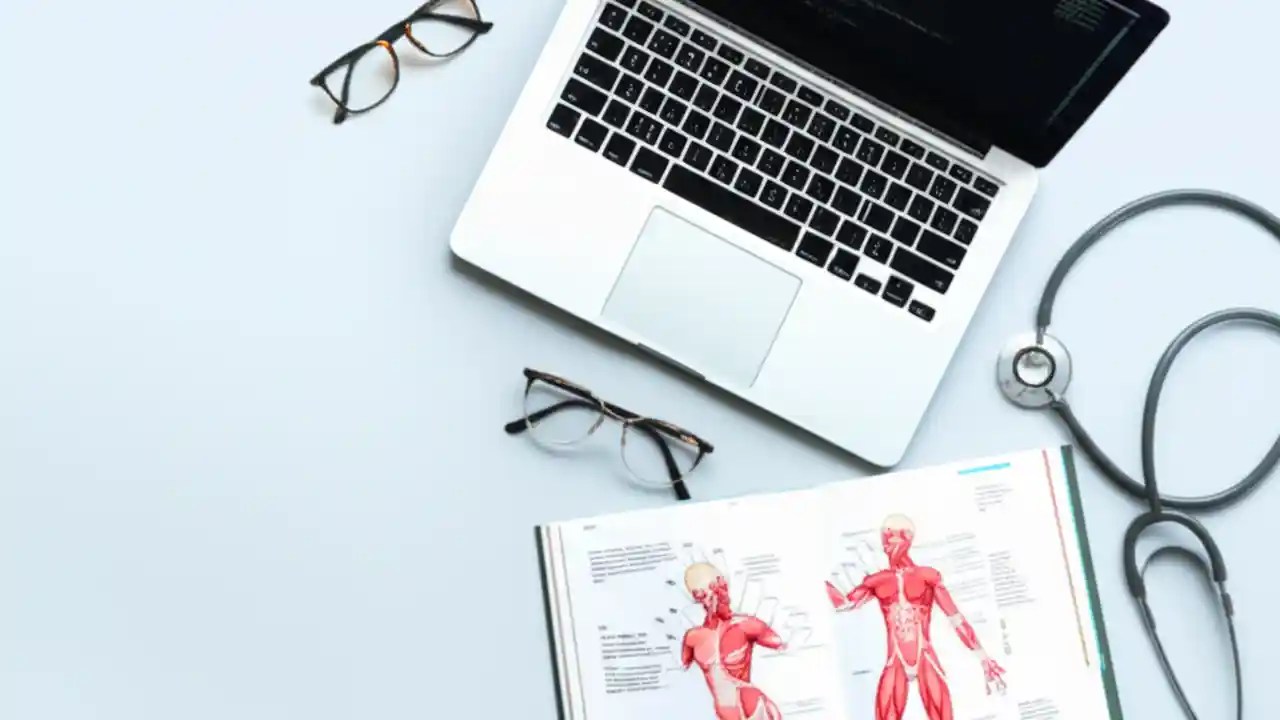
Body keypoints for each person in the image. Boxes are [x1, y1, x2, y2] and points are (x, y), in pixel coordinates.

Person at [826, 514, 1007, 720]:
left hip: (925, 657)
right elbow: (844, 604)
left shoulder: (927, 577)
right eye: (886, 536)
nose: (889, 542)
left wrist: (983, 658)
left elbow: (956, 619)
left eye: (895, 535)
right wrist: (819, 584)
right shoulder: (878, 581)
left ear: (908, 539)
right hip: (895, 660)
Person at [681, 562, 786, 720]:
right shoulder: (692, 637)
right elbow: (682, 665)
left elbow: (780, 643)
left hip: (749, 704)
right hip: (726, 712)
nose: (708, 597)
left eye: (712, 588)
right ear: (695, 596)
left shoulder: (745, 625)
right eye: (699, 594)